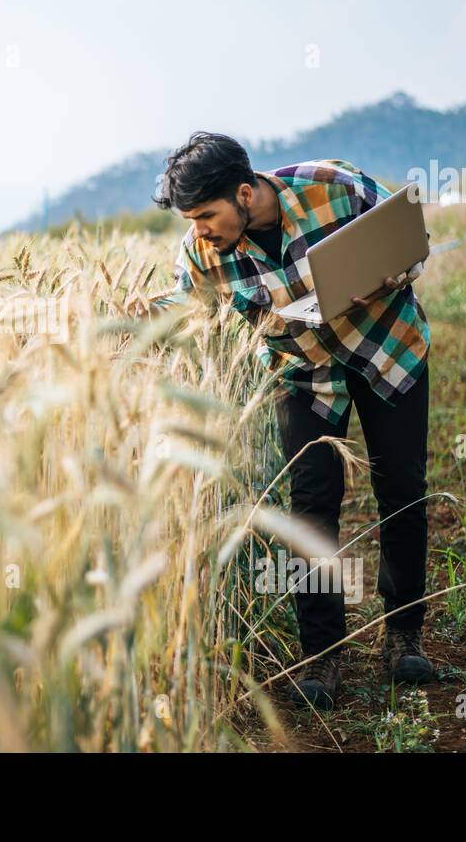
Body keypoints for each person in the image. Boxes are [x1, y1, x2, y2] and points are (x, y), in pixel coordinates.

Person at [147, 131, 436, 711]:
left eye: (207, 214)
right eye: (191, 219)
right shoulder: (202, 251)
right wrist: (138, 315)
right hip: (303, 374)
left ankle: (403, 632)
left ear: (246, 193)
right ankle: (322, 655)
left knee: (401, 487)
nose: (199, 229)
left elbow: (413, 243)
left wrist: (395, 274)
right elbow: (186, 306)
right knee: (311, 506)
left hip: (387, 348)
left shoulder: (336, 186)